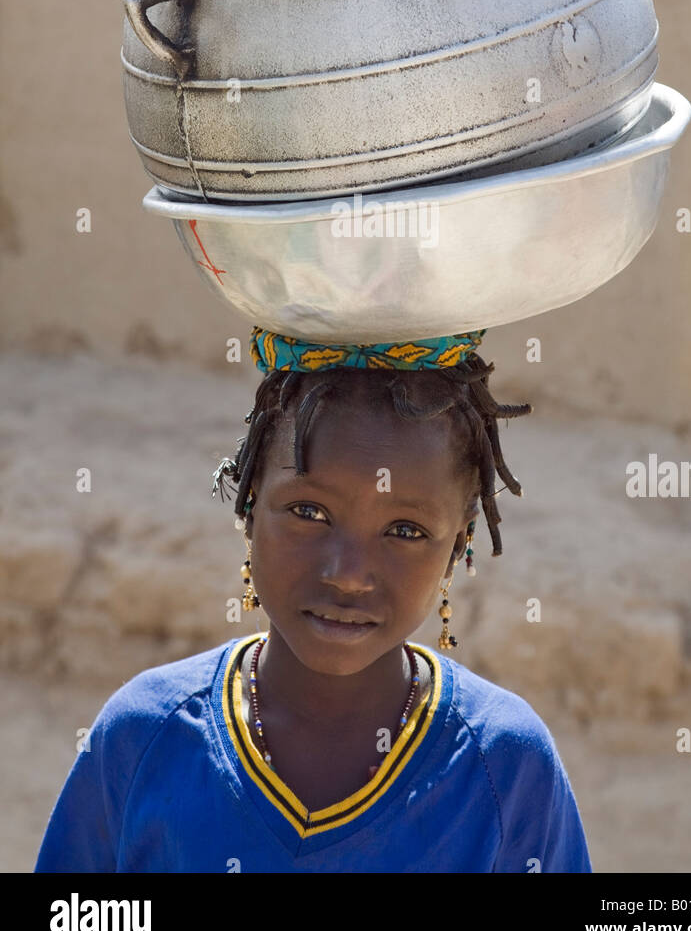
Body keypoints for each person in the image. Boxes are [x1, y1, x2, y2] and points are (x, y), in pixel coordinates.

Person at [35, 327, 592, 873]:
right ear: (250, 503)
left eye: (404, 530)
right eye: (309, 513)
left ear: (460, 542)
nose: (348, 576)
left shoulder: (506, 770)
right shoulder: (144, 737)